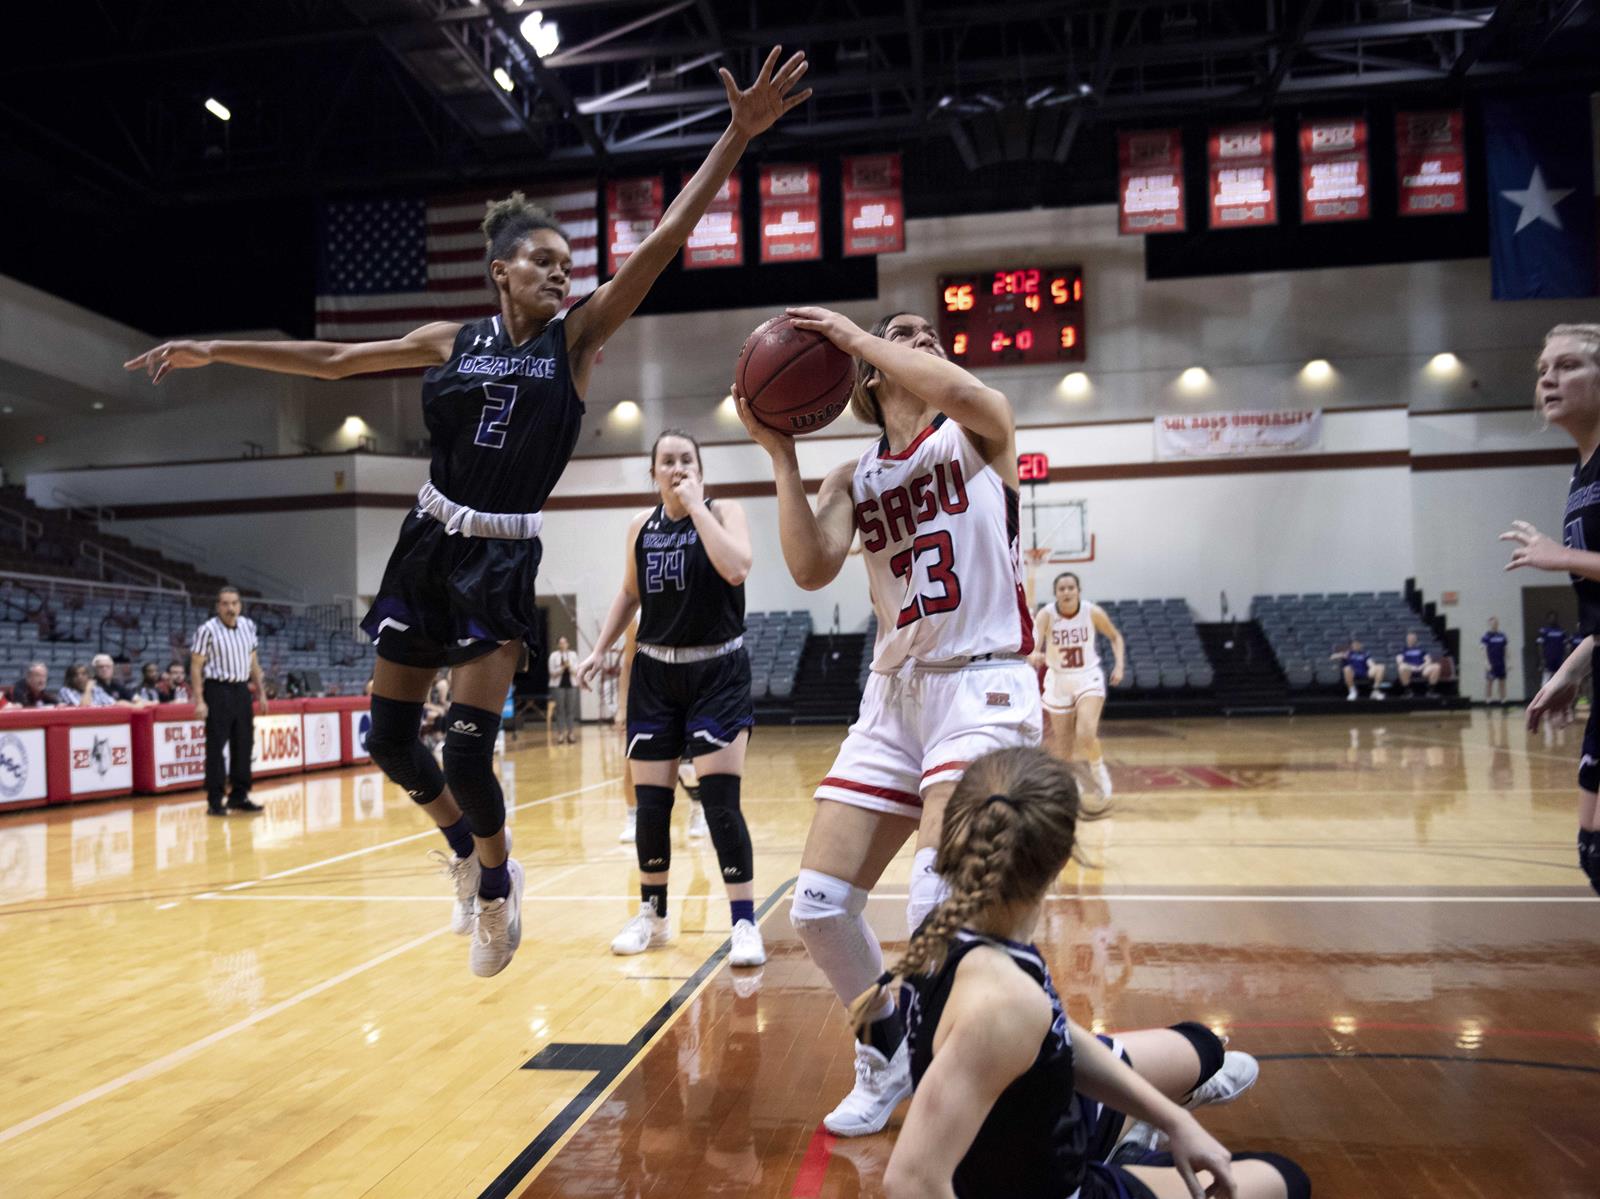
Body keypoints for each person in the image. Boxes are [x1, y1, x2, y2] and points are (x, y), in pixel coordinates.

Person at [127, 49, 809, 977]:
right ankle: (463, 851)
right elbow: (334, 362)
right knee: (387, 739)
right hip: (427, 541)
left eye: (568, 264)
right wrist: (216, 348)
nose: (562, 275)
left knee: (467, 753)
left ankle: (496, 883)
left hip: (501, 557)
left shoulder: (578, 340)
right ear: (500, 270)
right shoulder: (450, 339)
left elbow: (661, 243)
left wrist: (735, 136)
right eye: (544, 262)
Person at [736, 307, 1039, 1136]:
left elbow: (974, 396)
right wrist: (781, 453)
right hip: (895, 695)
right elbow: (809, 567)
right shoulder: (852, 477)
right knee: (818, 904)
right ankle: (886, 1048)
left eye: (930, 335)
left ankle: (976, 1085)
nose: (923, 338)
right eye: (904, 333)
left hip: (983, 684)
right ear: (866, 378)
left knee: (935, 900)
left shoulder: (974, 431)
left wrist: (855, 336)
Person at [867, 746, 1310, 1199]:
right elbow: (911, 1181)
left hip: (1034, 1125)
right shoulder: (1004, 1003)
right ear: (1063, 858)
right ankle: (1131, 1157)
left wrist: (1173, 1119)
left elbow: (1049, 1031)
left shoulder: (951, 925)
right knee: (1286, 1178)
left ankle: (1138, 1140)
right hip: (1052, 1183)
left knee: (1204, 1046)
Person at [578, 429, 765, 966]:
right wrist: (599, 650)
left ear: (700, 470)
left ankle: (744, 923)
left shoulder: (724, 513)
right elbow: (629, 593)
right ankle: (654, 916)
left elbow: (736, 568)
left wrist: (696, 508)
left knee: (721, 803)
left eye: (687, 459)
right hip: (656, 674)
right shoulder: (640, 527)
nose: (678, 468)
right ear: (653, 473)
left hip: (717, 670)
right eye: (667, 461)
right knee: (652, 807)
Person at [1503, 322, 1600, 897]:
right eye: (1543, 370)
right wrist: (1573, 669)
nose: (1548, 380)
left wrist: (1560, 556)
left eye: (1567, 366)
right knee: (1594, 853)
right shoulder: (1582, 471)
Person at [1029, 571, 1124, 796]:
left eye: (1071, 588)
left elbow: (1115, 637)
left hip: (1087, 676)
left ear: (1078, 591)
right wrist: (1034, 655)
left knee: (1086, 733)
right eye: (1061, 589)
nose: (1067, 592)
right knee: (1063, 747)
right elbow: (1033, 647)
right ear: (1055, 593)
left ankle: (1098, 771)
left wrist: (1119, 665)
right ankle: (1072, 784)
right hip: (1058, 679)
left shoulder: (1092, 612)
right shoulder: (1047, 615)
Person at [191, 586, 269, 817]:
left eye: (234, 603)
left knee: (244, 744)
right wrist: (199, 700)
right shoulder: (207, 630)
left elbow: (253, 663)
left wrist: (261, 693)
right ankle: (215, 800)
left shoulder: (248, 626)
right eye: (225, 604)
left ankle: (239, 795)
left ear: (240, 605)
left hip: (241, 689)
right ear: (218, 606)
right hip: (217, 689)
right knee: (216, 746)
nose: (230, 608)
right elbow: (195, 667)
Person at [548, 635, 580, 744]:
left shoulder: (573, 655)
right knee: (559, 710)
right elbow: (552, 673)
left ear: (568, 644)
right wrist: (562, 668)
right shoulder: (553, 656)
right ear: (558, 645)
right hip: (558, 686)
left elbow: (577, 671)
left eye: (564, 642)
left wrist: (569, 666)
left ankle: (570, 734)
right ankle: (560, 734)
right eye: (561, 643)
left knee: (570, 710)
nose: (563, 645)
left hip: (572, 685)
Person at [1330, 637, 1384, 701]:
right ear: (1351, 646)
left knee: (1380, 667)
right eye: (1354, 644)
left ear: (1361, 645)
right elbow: (1332, 657)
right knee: (1347, 668)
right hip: (1352, 673)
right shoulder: (1348, 653)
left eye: (1358, 644)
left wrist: (1373, 666)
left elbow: (1370, 663)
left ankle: (1375, 691)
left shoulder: (1365, 654)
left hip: (1364, 672)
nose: (1356, 646)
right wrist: (1341, 655)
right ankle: (1352, 692)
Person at [1536, 612, 1572, 687]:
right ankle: (1544, 693)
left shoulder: (1562, 631)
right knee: (1546, 679)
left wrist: (1565, 658)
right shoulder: (1544, 631)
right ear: (1547, 619)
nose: (1553, 619)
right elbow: (1540, 645)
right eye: (1551, 618)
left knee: (1559, 679)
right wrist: (1542, 658)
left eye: (1554, 617)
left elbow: (1566, 646)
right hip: (1548, 658)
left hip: (1559, 658)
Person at [1481, 616, 1509, 704]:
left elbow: (1506, 650)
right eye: (1492, 623)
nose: (1494, 624)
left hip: (1501, 662)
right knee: (1489, 682)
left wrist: (1508, 662)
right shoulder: (1486, 636)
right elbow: (1484, 650)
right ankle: (1488, 700)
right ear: (1489, 624)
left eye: (1496, 623)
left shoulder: (1502, 636)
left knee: (1502, 682)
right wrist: (1486, 662)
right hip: (1491, 662)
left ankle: (1503, 700)